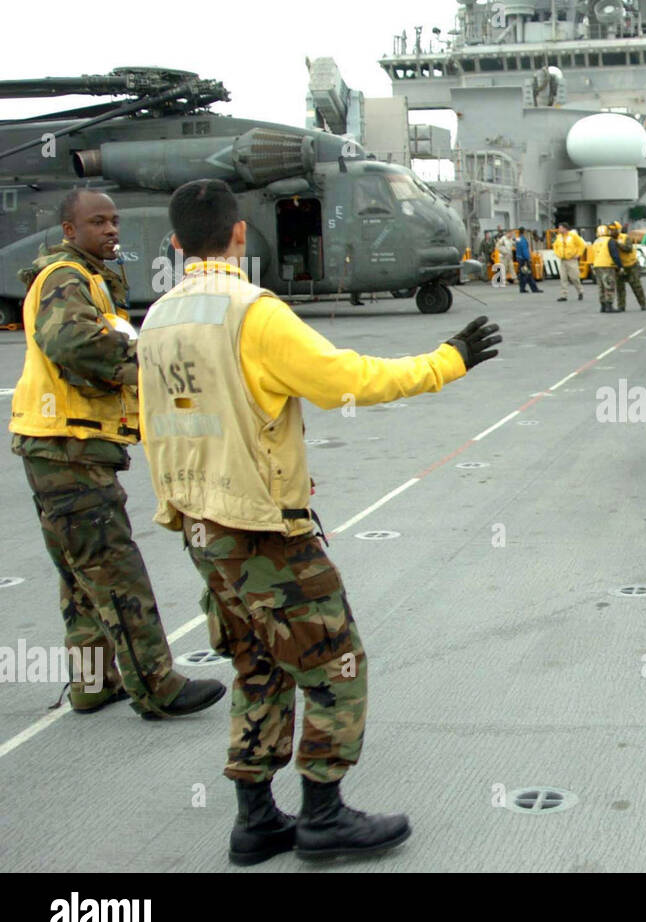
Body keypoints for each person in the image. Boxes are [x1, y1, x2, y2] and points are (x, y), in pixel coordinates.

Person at [137, 179, 502, 865]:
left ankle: (256, 822)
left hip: (199, 527)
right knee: (336, 663)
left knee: (258, 666)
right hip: (261, 532)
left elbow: (169, 423)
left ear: (178, 242)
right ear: (240, 234)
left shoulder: (157, 318)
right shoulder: (251, 312)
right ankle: (325, 815)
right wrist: (446, 362)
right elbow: (348, 380)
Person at [9, 189, 226, 719]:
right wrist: (149, 363)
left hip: (53, 445)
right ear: (68, 230)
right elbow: (72, 343)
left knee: (81, 576)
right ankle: (156, 686)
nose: (111, 230)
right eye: (97, 222)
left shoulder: (85, 279)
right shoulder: (67, 278)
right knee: (113, 568)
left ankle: (92, 682)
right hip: (68, 448)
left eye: (114, 220)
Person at [612, 222, 646, 312]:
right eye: (611, 230)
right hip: (619, 266)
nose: (612, 231)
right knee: (620, 288)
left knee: (636, 286)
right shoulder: (610, 240)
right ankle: (621, 306)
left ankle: (643, 304)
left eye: (614, 229)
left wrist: (618, 245)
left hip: (631, 265)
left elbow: (628, 248)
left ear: (618, 229)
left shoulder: (624, 237)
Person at [552, 222, 586, 302]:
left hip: (571, 260)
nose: (559, 229)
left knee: (574, 277)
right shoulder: (559, 237)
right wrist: (557, 254)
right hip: (563, 260)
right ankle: (564, 295)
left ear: (565, 228)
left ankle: (580, 291)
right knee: (563, 278)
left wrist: (578, 254)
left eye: (560, 228)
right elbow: (555, 246)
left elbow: (582, 245)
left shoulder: (573, 236)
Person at [591, 225, 619, 313]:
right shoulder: (610, 241)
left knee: (601, 286)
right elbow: (614, 254)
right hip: (607, 265)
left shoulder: (595, 241)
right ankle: (609, 306)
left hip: (597, 265)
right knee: (609, 285)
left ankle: (602, 306)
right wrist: (620, 265)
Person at [514, 228, 540, 294]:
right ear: (524, 233)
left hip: (519, 259)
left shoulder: (518, 239)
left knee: (524, 274)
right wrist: (528, 258)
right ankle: (534, 289)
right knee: (528, 274)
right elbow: (524, 250)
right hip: (524, 260)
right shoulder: (523, 240)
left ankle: (522, 289)